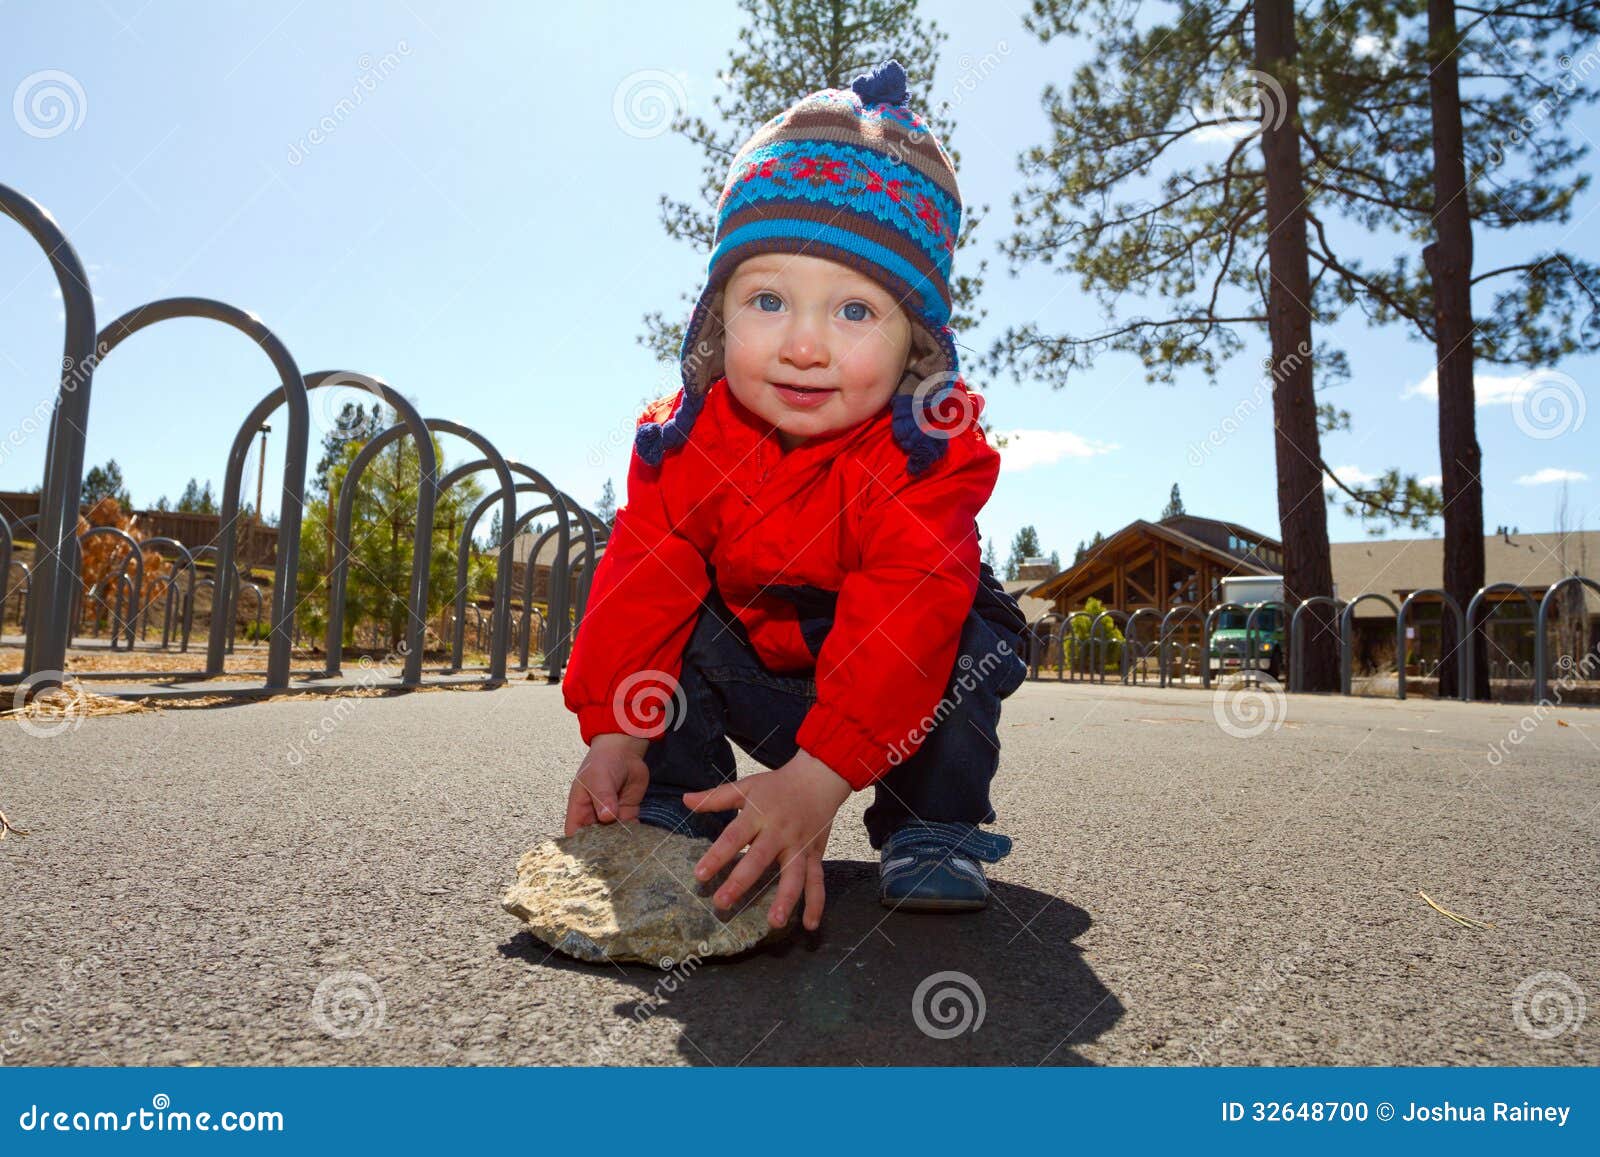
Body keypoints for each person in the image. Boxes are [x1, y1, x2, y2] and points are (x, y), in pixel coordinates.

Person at [561, 59, 1027, 936]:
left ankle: (929, 822)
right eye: (769, 299)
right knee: (676, 615)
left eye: (854, 312)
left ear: (916, 345)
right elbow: (642, 580)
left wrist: (821, 777)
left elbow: (905, 609)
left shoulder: (927, 453)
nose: (805, 344)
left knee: (966, 629)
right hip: (765, 670)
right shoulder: (686, 440)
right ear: (716, 315)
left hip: (899, 684)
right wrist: (613, 731)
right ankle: (681, 804)